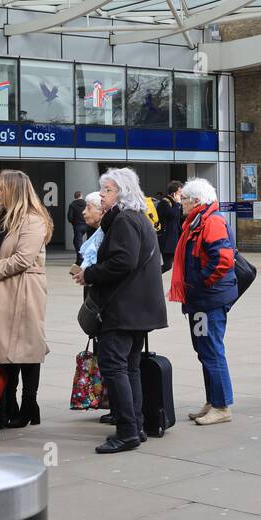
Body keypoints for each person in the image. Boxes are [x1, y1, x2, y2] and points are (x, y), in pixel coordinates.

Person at [81, 168, 168, 452]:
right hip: (137, 308)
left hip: (124, 308)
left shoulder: (125, 220)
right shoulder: (137, 218)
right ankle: (135, 426)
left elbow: (122, 262)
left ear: (121, 192)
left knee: (115, 367)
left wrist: (90, 274)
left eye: (107, 190)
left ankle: (128, 430)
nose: (102, 195)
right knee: (129, 368)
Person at [0, 170, 51, 430]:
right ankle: (7, 404)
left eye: (2, 188)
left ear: (15, 190)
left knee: (26, 350)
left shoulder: (33, 220)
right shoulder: (0, 216)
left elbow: (23, 259)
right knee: (2, 352)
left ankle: (29, 405)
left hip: (23, 290)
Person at [169, 178, 237, 426]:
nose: (181, 202)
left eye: (184, 198)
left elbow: (222, 261)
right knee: (203, 350)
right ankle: (213, 401)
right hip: (200, 301)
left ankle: (221, 406)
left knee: (211, 350)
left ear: (196, 201)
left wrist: (200, 283)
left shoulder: (211, 222)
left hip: (209, 300)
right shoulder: (198, 221)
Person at [157, 181, 184, 274]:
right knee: (168, 265)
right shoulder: (164, 203)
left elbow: (180, 217)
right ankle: (151, 276)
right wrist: (177, 204)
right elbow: (172, 215)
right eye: (180, 192)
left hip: (175, 238)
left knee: (179, 264)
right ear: (174, 193)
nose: (181, 195)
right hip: (167, 240)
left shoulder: (175, 203)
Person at [67, 191, 87, 265]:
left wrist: (73, 223)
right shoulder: (86, 203)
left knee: (77, 242)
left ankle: (80, 259)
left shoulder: (72, 205)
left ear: (74, 196)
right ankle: (87, 258)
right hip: (87, 225)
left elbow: (70, 217)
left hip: (78, 226)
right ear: (81, 196)